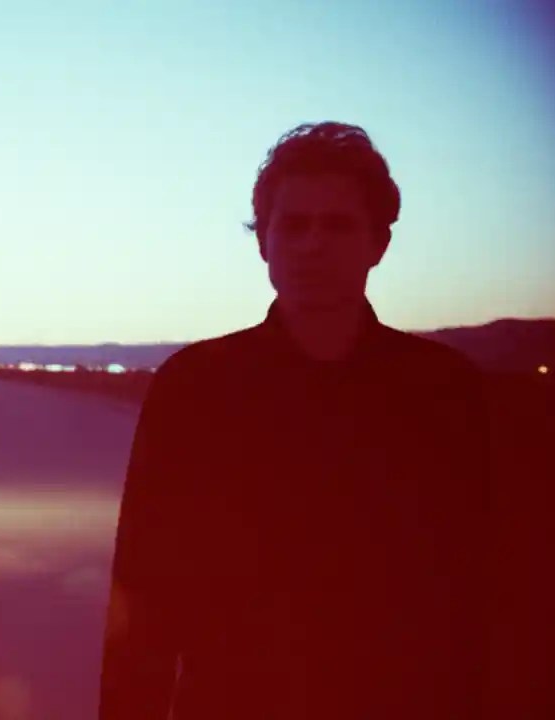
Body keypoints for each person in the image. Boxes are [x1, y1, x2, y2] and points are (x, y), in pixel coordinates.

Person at [99, 122, 490, 719]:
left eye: (337, 225)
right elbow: (145, 587)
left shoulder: (443, 391)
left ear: (379, 244)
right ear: (264, 241)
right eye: (294, 224)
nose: (312, 245)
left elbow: (482, 592)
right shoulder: (196, 388)